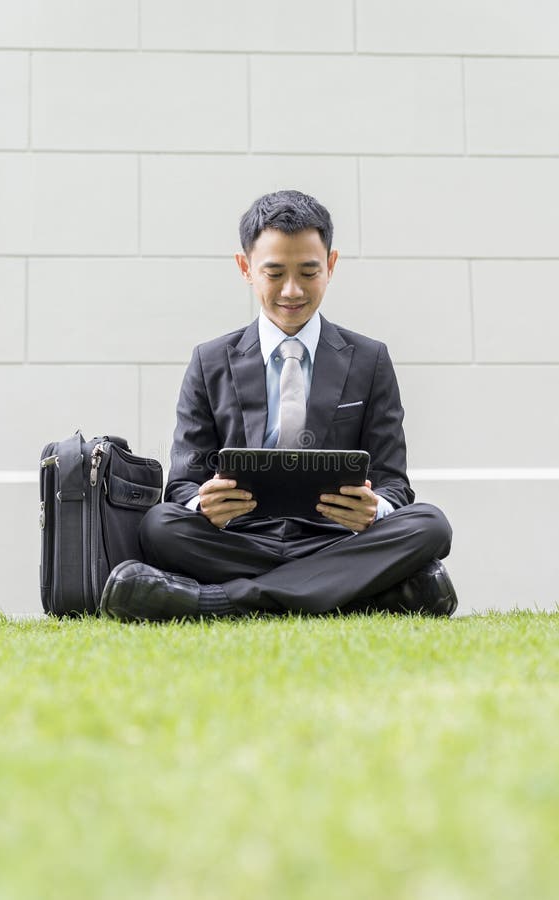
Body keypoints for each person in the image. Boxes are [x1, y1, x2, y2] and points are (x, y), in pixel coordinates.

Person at [100, 190, 457, 622]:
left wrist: (375, 507)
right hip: (240, 539)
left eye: (309, 272)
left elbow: (395, 485)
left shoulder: (370, 359)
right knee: (160, 525)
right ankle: (363, 593)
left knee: (430, 525)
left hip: (337, 537)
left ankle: (216, 601)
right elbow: (182, 487)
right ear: (246, 269)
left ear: (331, 265)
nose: (292, 291)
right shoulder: (210, 361)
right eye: (274, 273)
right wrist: (204, 504)